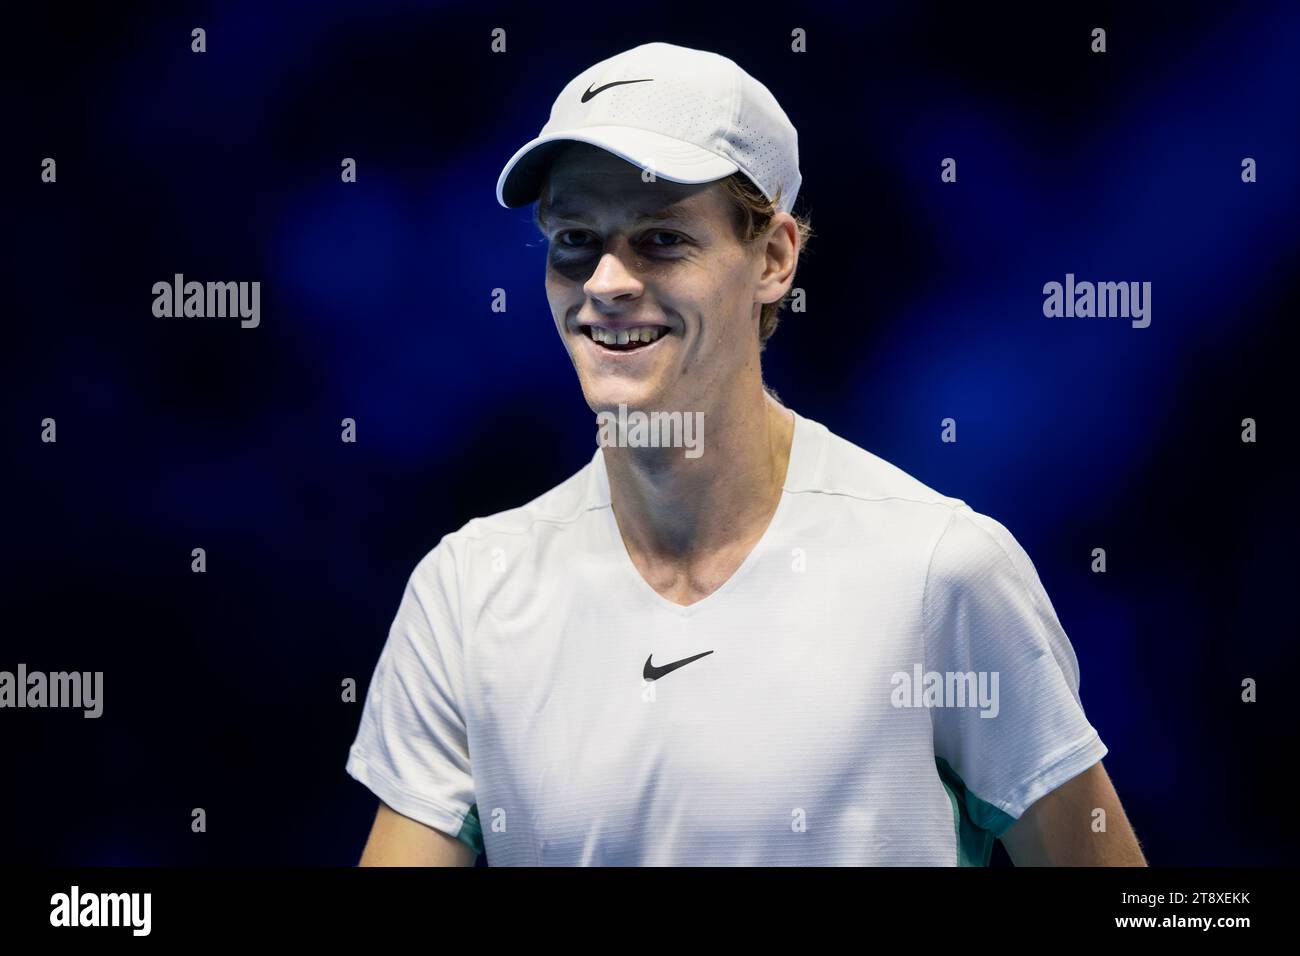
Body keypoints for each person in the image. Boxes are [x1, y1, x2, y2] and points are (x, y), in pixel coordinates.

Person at [346, 41, 1146, 866]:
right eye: (575, 240)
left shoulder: (942, 574)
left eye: (660, 240)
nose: (607, 283)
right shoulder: (466, 593)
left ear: (774, 259)